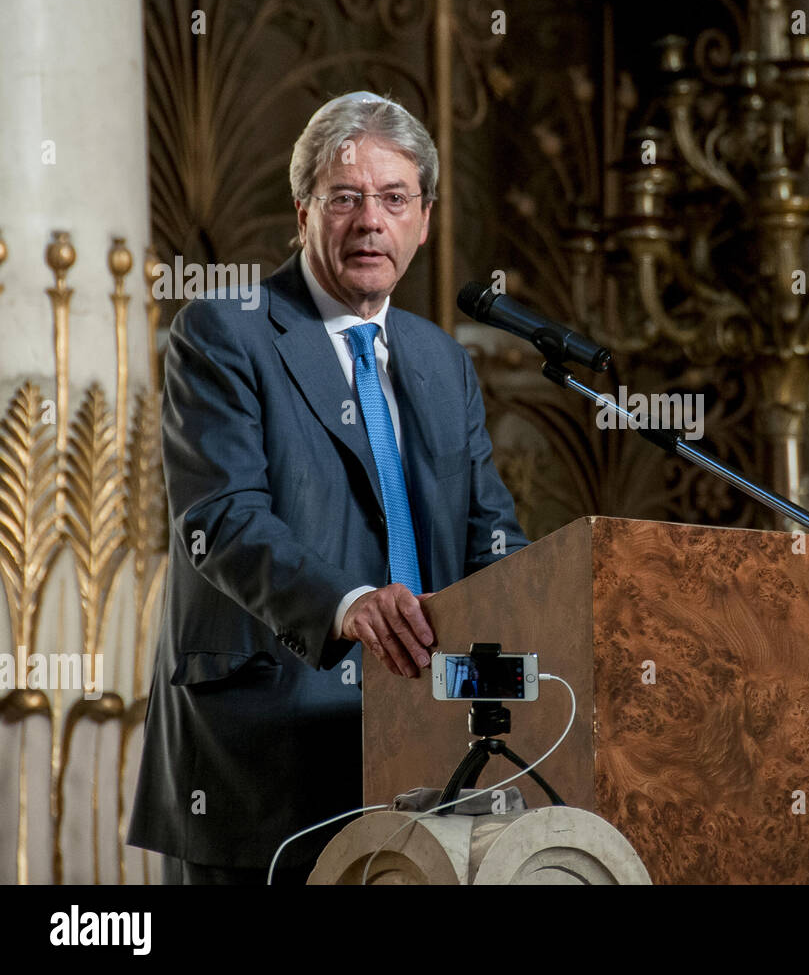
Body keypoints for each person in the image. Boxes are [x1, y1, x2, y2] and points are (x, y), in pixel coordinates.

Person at [127, 91, 528, 884]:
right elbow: (224, 519)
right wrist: (351, 604)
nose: (369, 220)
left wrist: (559, 614)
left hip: (424, 753)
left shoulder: (443, 363)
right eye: (345, 198)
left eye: (393, 198)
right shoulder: (224, 331)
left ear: (424, 217)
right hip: (265, 756)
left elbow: (494, 539)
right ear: (305, 208)